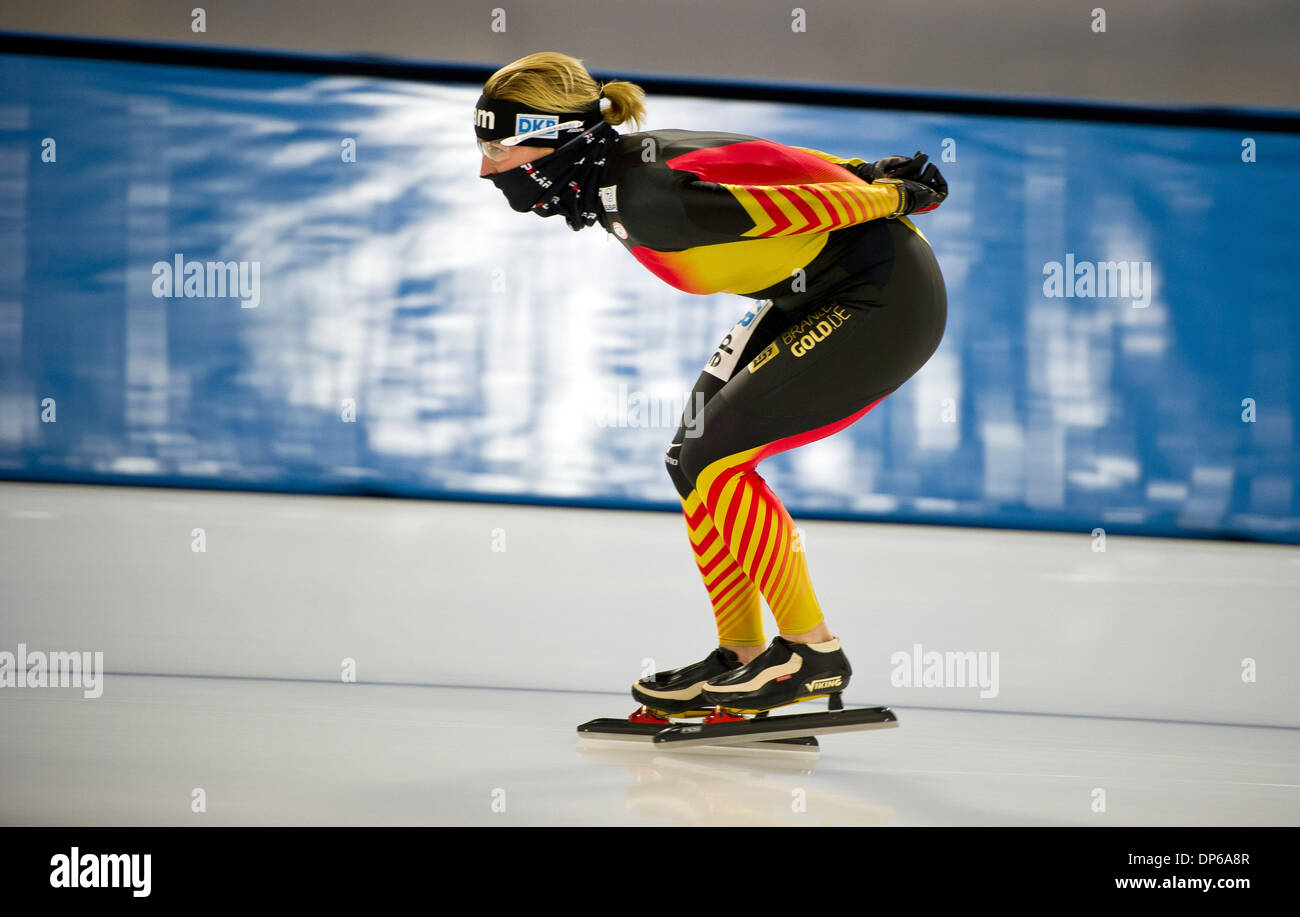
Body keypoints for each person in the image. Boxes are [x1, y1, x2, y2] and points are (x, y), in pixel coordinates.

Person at [476, 52, 948, 718]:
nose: (486, 168)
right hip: (812, 293)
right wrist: (868, 169)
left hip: (883, 300)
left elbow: (790, 200)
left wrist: (893, 193)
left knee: (714, 459)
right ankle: (747, 654)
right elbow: (764, 158)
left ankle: (811, 652)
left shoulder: (641, 197)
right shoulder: (622, 172)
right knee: (688, 456)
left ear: (552, 137)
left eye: (497, 148)